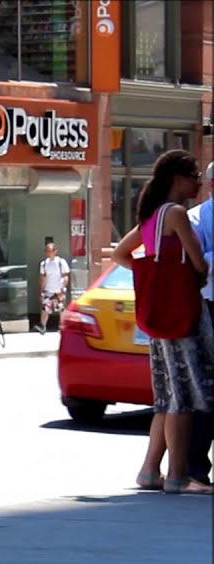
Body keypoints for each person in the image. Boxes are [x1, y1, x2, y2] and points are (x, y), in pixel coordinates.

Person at [110, 150, 214, 495]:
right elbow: (199, 263)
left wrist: (149, 271)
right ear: (177, 179)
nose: (199, 182)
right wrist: (186, 274)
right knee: (185, 399)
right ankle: (177, 476)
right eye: (194, 175)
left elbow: (120, 254)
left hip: (158, 318)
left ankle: (149, 471)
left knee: (166, 397)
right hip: (183, 315)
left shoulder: (151, 216)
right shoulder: (177, 214)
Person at [184, 162, 214, 487]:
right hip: (209, 309)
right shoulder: (196, 218)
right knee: (208, 390)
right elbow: (198, 263)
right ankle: (195, 469)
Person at [37, 241, 70, 334]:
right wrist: (41, 291)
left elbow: (65, 276)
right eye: (47, 251)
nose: (48, 253)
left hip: (59, 290)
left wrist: (63, 288)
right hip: (48, 290)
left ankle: (62, 327)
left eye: (50, 251)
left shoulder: (60, 262)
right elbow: (43, 278)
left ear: (55, 251)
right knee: (45, 308)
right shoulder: (44, 264)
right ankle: (43, 326)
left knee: (61, 309)